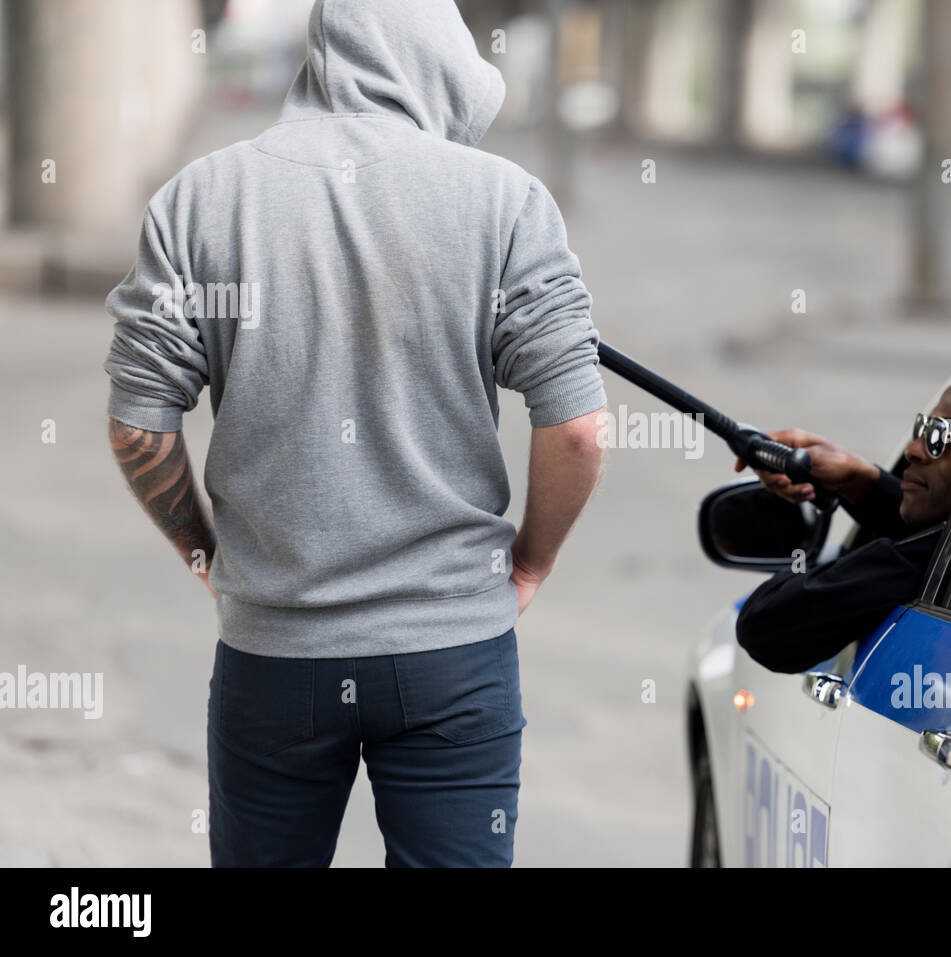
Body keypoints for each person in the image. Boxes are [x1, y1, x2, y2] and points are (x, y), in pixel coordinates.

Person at [102, 0, 606, 867]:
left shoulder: (197, 200)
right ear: (439, 66)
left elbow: (135, 426)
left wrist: (207, 557)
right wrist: (531, 560)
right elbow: (579, 431)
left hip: (273, 654)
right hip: (453, 652)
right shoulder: (506, 202)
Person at [733, 363, 951, 673]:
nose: (912, 451)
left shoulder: (919, 566)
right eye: (922, 429)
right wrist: (860, 478)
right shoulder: (942, 564)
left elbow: (761, 625)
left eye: (940, 436)